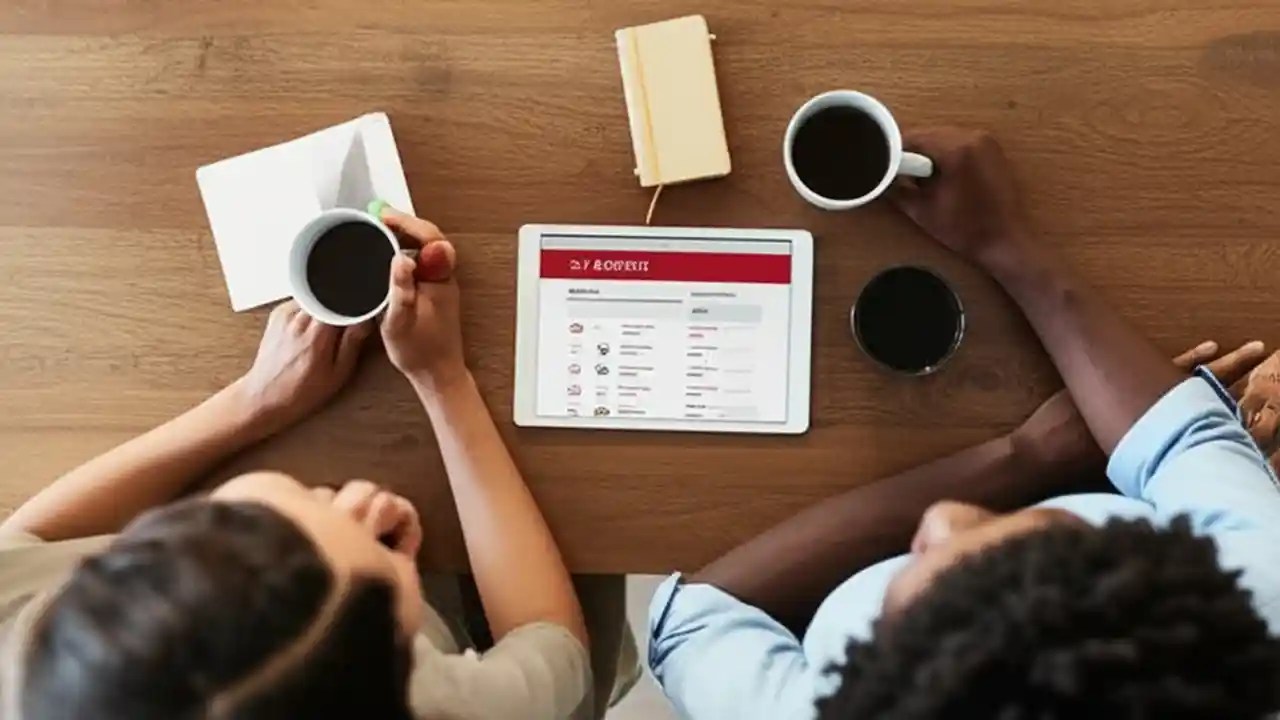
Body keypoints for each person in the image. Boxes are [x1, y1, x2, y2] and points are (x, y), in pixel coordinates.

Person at [647, 129, 1280, 719]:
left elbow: (687, 620)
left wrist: (1022, 461)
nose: (945, 514)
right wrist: (1005, 241)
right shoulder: (1250, 608)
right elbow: (1182, 439)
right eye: (1061, 537)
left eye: (924, 564)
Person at [0, 208, 634, 719]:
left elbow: (26, 542)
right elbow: (556, 647)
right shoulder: (436, 705)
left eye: (273, 512)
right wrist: (444, 380)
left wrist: (255, 402)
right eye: (387, 570)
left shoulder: (21, 642)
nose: (354, 497)